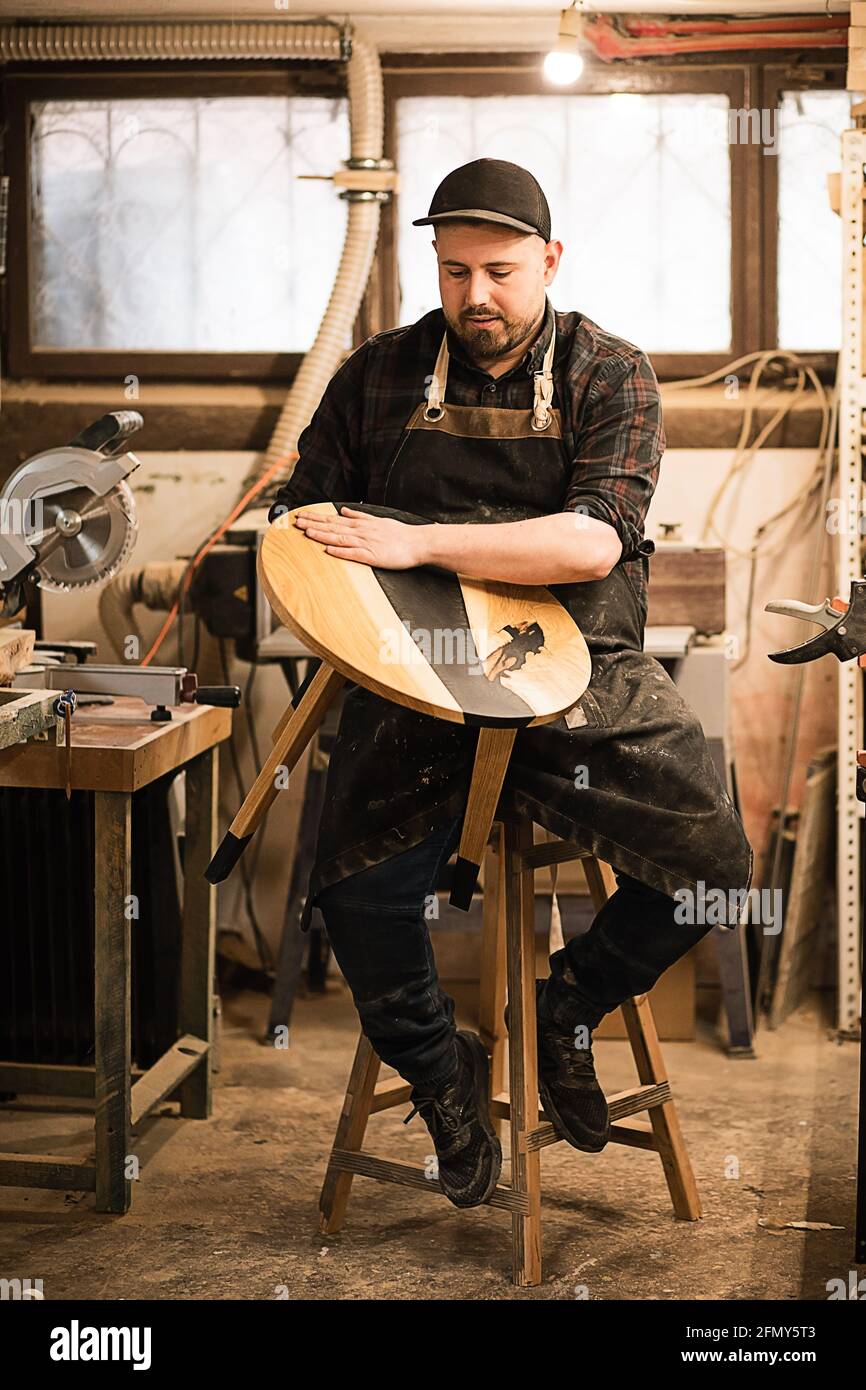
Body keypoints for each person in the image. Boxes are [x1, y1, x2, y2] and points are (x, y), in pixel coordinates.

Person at [267, 158, 753, 1210]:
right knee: (351, 882)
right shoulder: (379, 376)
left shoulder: (607, 372)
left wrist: (416, 539)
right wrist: (312, 546)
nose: (473, 296)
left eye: (496, 270)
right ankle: (441, 1076)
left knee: (716, 860)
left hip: (573, 673)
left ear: (549, 259)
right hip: (419, 674)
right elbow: (301, 514)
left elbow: (587, 545)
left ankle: (566, 1005)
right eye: (451, 273)